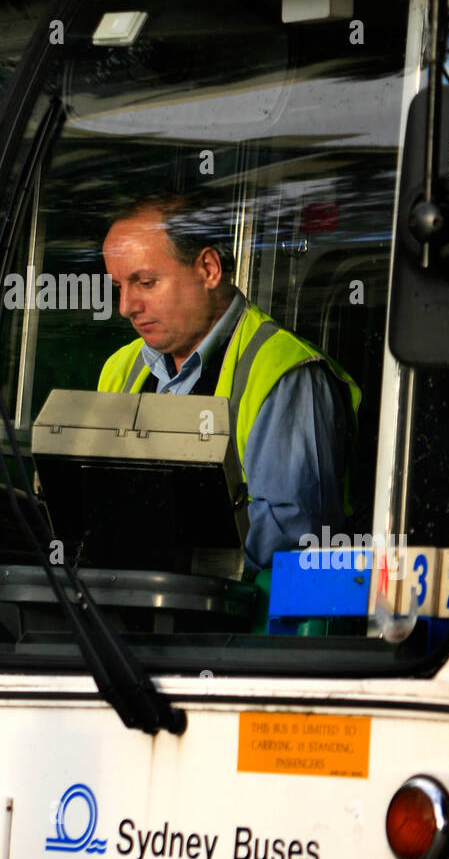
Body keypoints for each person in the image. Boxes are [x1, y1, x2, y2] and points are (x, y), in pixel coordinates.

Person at [98, 193, 359, 576]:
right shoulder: (120, 369)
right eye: (118, 286)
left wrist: (168, 566)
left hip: (242, 627)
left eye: (145, 283)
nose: (126, 306)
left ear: (208, 269)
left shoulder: (283, 373)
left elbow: (289, 539)